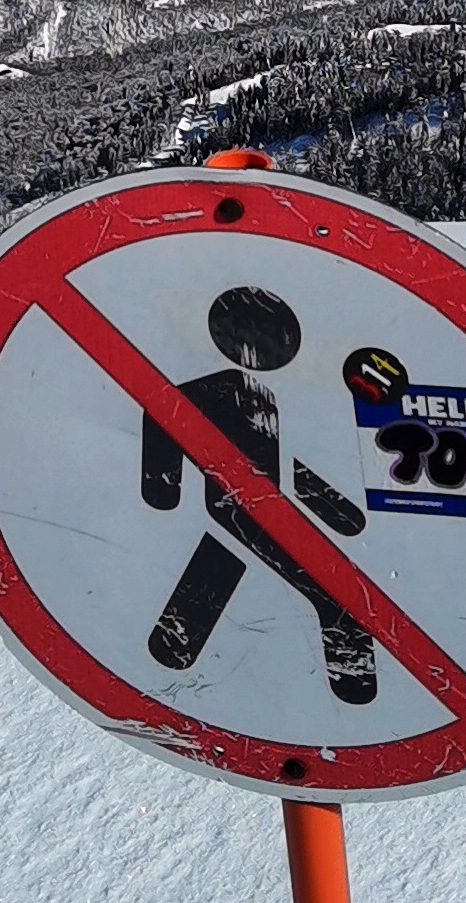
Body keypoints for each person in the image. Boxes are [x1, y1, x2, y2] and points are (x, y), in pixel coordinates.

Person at [140, 286, 378, 704]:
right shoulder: (269, 395)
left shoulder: (264, 396)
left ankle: (171, 651)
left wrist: (337, 510)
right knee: (330, 595)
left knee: (221, 567)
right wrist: (337, 512)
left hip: (249, 510)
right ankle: (354, 684)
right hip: (250, 511)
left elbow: (291, 462)